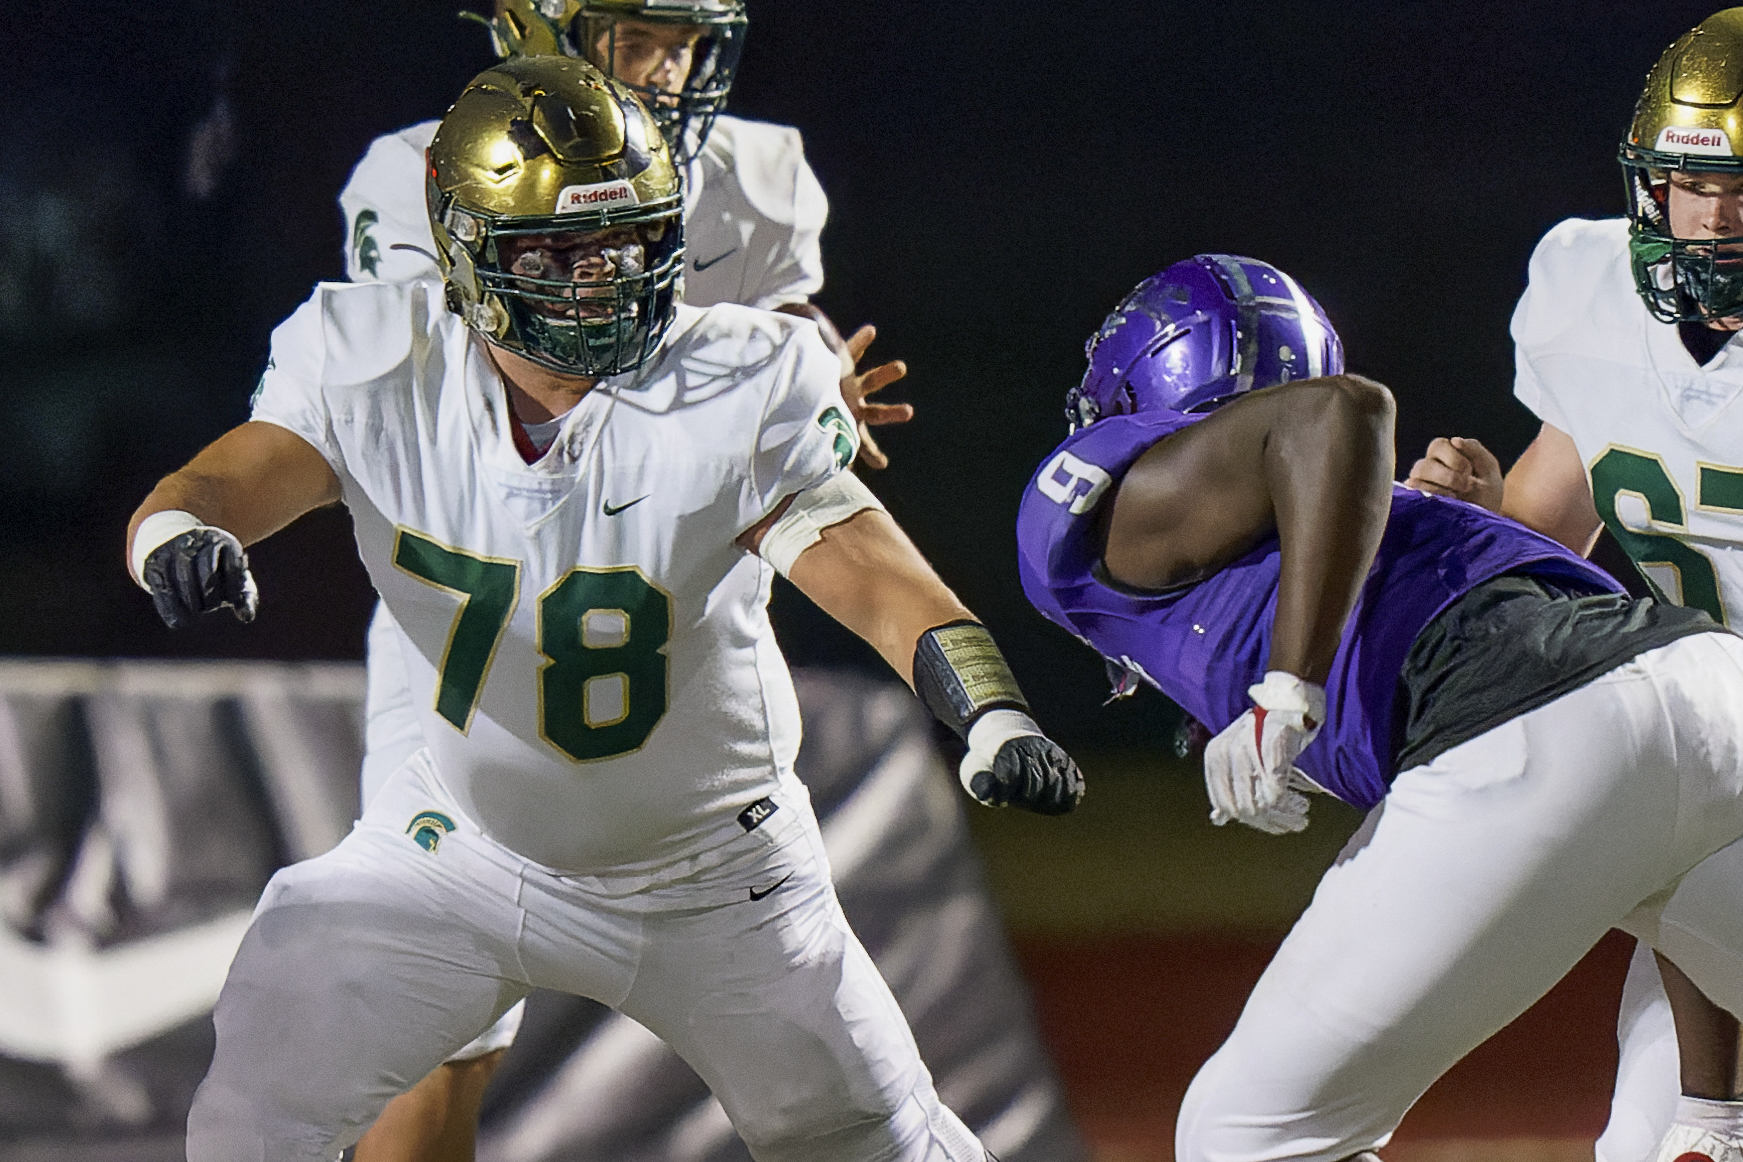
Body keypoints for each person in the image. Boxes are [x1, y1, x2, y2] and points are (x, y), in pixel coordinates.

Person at [127, 56, 1081, 1162]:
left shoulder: (733, 379)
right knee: (257, 1099)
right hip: (464, 847)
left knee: (872, 1140)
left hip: (715, 872)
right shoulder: (376, 362)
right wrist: (178, 536)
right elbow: (217, 482)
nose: (597, 280)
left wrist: (993, 711)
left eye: (622, 243)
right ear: (468, 250)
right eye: (556, 250)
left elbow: (871, 574)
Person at [337, 4, 914, 1155]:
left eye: (687, 41)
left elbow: (774, 357)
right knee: (435, 1026)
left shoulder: (757, 173)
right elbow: (443, 401)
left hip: (681, 644)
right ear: (535, 25)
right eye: (639, 35)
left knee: (802, 1028)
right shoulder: (417, 175)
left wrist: (806, 380)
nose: (670, 67)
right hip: (473, 640)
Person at [1016, 253, 1743, 1162]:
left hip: (1537, 733)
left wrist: (1287, 687)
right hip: (1707, 689)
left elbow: (1342, 410)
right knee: (1665, 1133)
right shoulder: (1391, 516)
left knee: (1245, 1135)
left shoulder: (1101, 507)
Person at [1403, 9, 1743, 1159]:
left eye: (1741, 188)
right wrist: (1480, 511)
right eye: (1691, 185)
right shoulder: (1589, 289)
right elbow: (1550, 525)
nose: (1715, 219)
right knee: (1656, 1139)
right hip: (1715, 776)